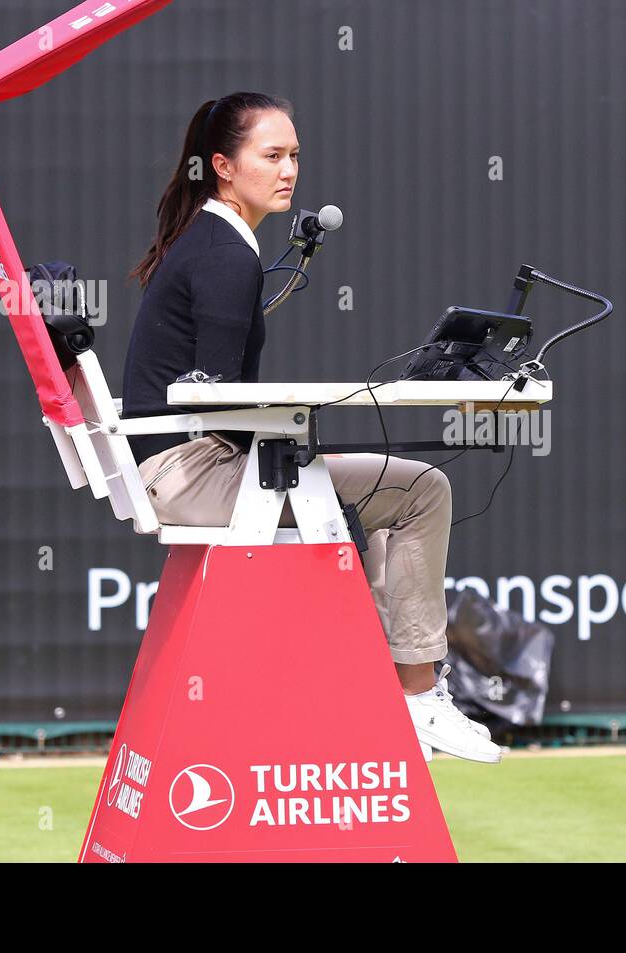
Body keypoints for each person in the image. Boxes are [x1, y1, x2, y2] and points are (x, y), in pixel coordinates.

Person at [121, 92, 500, 764]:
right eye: (271, 155)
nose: (289, 169)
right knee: (420, 492)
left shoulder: (212, 242)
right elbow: (213, 398)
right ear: (224, 167)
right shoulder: (224, 254)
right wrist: (293, 427)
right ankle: (418, 698)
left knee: (390, 494)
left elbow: (211, 396)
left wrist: (292, 431)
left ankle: (406, 693)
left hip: (181, 469)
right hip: (193, 476)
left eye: (294, 155)